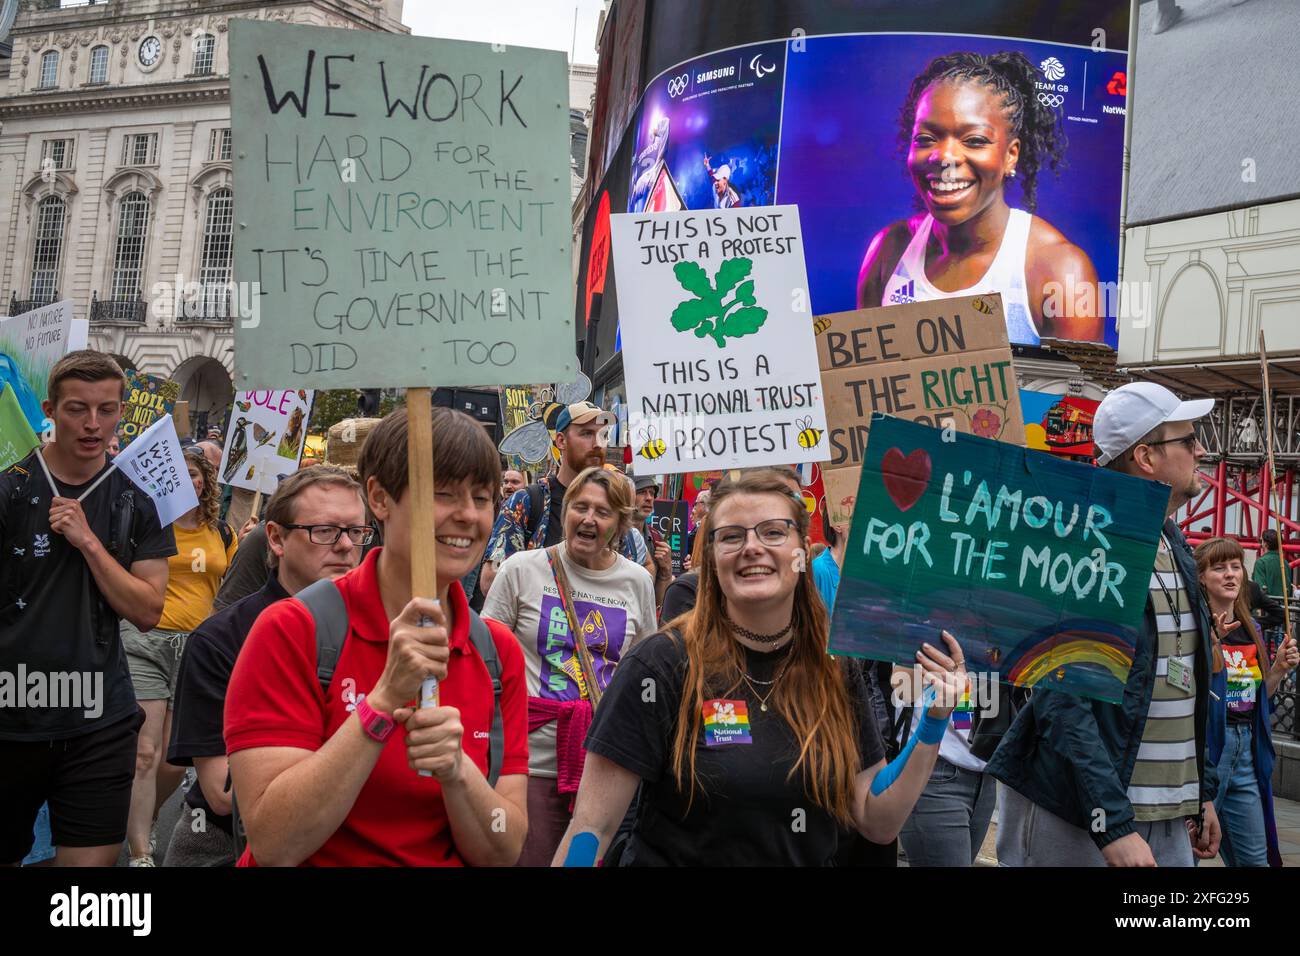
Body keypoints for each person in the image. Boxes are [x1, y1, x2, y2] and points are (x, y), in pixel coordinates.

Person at [551, 471, 967, 866]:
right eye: (731, 536)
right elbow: (592, 830)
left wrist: (933, 720)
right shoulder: (659, 666)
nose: (752, 547)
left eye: (772, 532)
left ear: (803, 550)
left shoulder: (836, 669)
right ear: (712, 557)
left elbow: (877, 819)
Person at [224, 408, 529, 866]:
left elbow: (503, 846)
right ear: (380, 498)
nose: (468, 515)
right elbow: (274, 841)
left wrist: (458, 772)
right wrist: (381, 704)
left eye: (483, 497)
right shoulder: (293, 630)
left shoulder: (498, 653)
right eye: (443, 494)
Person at [991, 381, 1222, 866]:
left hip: (1165, 814)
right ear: (1146, 456)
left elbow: (1181, 684)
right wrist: (1111, 823)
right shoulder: (1086, 543)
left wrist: (1201, 790)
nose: (1201, 450)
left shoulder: (1170, 540)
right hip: (1080, 816)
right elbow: (1060, 695)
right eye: (1187, 439)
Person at [0, 351, 175, 867]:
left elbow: (148, 610)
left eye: (106, 409)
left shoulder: (137, 500)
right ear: (51, 410)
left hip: (98, 719)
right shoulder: (9, 488)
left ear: (122, 411)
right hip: (10, 717)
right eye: (77, 409)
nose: (93, 424)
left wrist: (89, 543)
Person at [164, 465, 367, 866]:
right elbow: (224, 794)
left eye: (357, 531)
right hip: (226, 845)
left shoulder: (383, 631)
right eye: (324, 531)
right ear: (276, 538)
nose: (346, 546)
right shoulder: (220, 640)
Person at [856, 51, 1101, 345]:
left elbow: (1081, 391)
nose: (944, 156)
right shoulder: (889, 251)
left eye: (974, 140)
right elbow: (864, 383)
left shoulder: (1059, 272)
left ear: (1011, 155)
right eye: (926, 139)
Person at [482, 466, 657, 865]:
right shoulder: (521, 569)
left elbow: (642, 671)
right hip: (527, 766)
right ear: (566, 513)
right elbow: (485, 660)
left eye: (603, 511)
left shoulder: (636, 582)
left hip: (601, 770)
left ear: (620, 525)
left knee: (582, 859)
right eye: (580, 507)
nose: (589, 519)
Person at [123, 445, 237, 865]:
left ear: (205, 481)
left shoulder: (222, 532)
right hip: (145, 641)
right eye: (179, 473)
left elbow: (231, 589)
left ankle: (147, 809)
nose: (188, 481)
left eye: (195, 474)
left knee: (174, 757)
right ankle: (140, 851)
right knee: (145, 752)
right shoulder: (148, 524)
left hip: (196, 648)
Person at [1196, 537, 1297, 867]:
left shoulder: (1251, 628)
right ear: (1200, 577)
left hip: (1246, 754)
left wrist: (1279, 670)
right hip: (1208, 752)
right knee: (1184, 857)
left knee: (1256, 862)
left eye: (1236, 567)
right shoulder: (1193, 627)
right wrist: (1210, 644)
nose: (1230, 574)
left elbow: (1257, 700)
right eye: (1219, 567)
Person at [480, 401, 613, 595]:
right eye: (586, 434)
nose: (597, 444)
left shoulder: (612, 508)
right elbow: (490, 581)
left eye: (603, 435)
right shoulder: (527, 502)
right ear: (561, 441)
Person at [633, 474, 674, 606]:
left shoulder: (658, 538)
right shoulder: (613, 535)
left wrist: (666, 572)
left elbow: (658, 603)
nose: (649, 498)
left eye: (652, 493)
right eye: (641, 492)